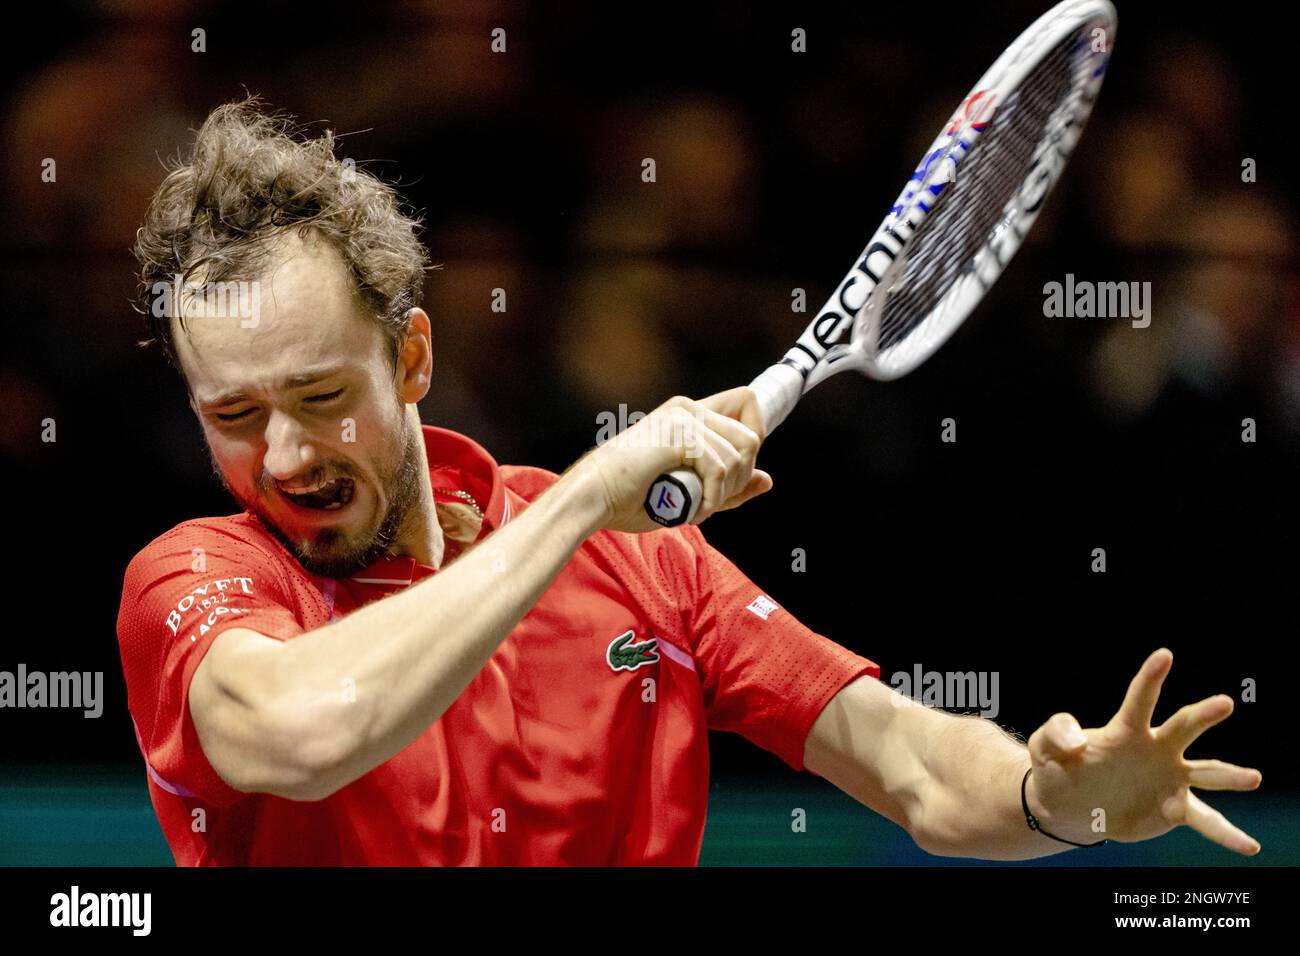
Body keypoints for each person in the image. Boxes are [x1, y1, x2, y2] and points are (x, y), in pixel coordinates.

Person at [117, 97, 1262, 865]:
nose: (284, 457)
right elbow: (312, 728)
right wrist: (578, 501)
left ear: (412, 356)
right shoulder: (196, 581)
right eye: (232, 416)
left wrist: (1049, 798)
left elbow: (910, 762)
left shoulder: (640, 563)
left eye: (321, 398)